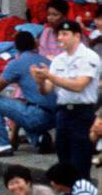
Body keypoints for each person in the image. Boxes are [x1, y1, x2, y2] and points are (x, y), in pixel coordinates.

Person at [31, 20, 101, 175]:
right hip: (63, 112)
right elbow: (47, 90)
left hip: (82, 113)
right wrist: (40, 81)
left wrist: (50, 76)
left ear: (76, 36)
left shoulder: (89, 57)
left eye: (64, 34)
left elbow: (78, 86)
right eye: (59, 34)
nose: (60, 38)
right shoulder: (58, 59)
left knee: (80, 162)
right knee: (64, 162)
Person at [0, 31, 57, 158]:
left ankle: (2, 146)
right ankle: (40, 138)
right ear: (35, 44)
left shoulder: (16, 63)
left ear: (16, 47)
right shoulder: (46, 61)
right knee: (21, 105)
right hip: (55, 116)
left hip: (37, 115)